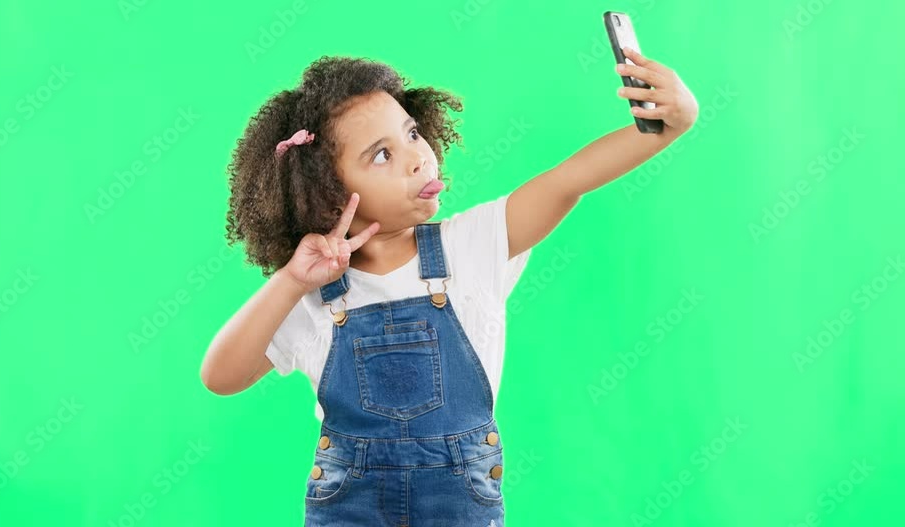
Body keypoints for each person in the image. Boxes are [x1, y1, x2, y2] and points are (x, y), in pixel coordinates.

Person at [200, 50, 698, 526]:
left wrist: (665, 127)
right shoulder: (312, 295)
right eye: (381, 156)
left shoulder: (473, 245)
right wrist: (290, 280)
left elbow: (568, 181)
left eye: (412, 133)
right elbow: (220, 376)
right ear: (328, 196)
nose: (418, 158)